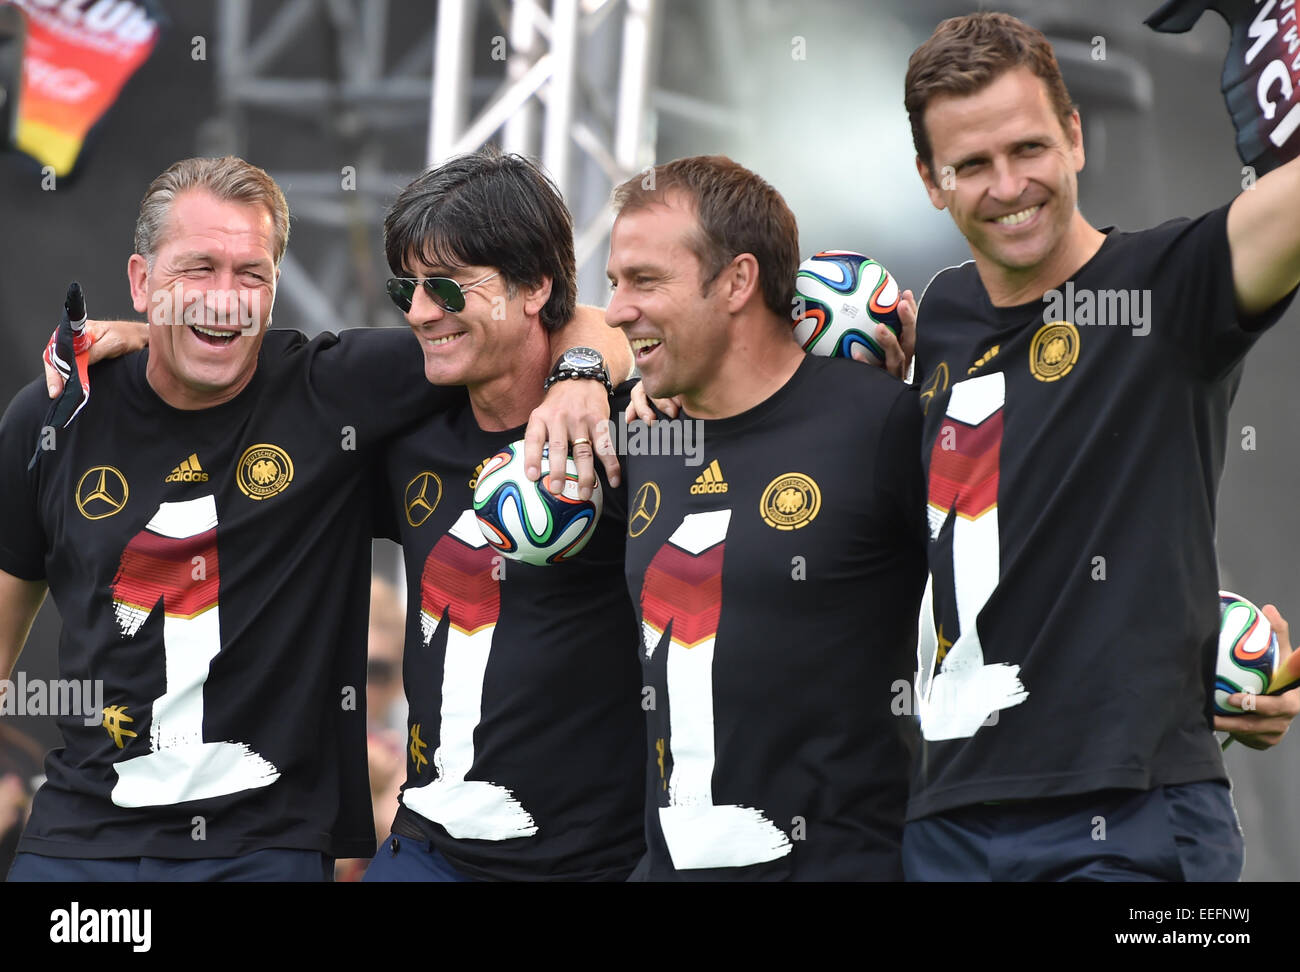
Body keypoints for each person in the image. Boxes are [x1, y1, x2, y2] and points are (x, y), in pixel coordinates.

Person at [0, 155, 625, 881]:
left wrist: (580, 373)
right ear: (141, 281)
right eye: (196, 270)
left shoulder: (335, 390)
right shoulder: (54, 414)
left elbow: (551, 320)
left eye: (252, 275)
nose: (226, 299)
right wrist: (148, 334)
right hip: (77, 845)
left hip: (264, 847)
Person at [898, 11, 1300, 881]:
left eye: (1029, 148)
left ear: (1075, 136)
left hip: (1137, 823)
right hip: (945, 828)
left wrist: (1278, 74)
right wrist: (585, 367)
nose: (1008, 185)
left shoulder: (1173, 284)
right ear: (932, 181)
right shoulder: (936, 321)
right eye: (972, 165)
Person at [605, 154, 928, 879]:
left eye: (646, 280)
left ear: (738, 281)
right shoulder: (641, 433)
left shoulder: (882, 422)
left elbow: (1025, 577)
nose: (620, 308)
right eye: (615, 283)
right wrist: (578, 379)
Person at [362, 150, 644, 882]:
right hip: (427, 852)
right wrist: (143, 338)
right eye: (408, 289)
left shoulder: (636, 429)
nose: (422, 312)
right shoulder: (402, 427)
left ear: (532, 286)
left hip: (595, 865)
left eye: (449, 289)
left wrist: (585, 371)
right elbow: (249, 375)